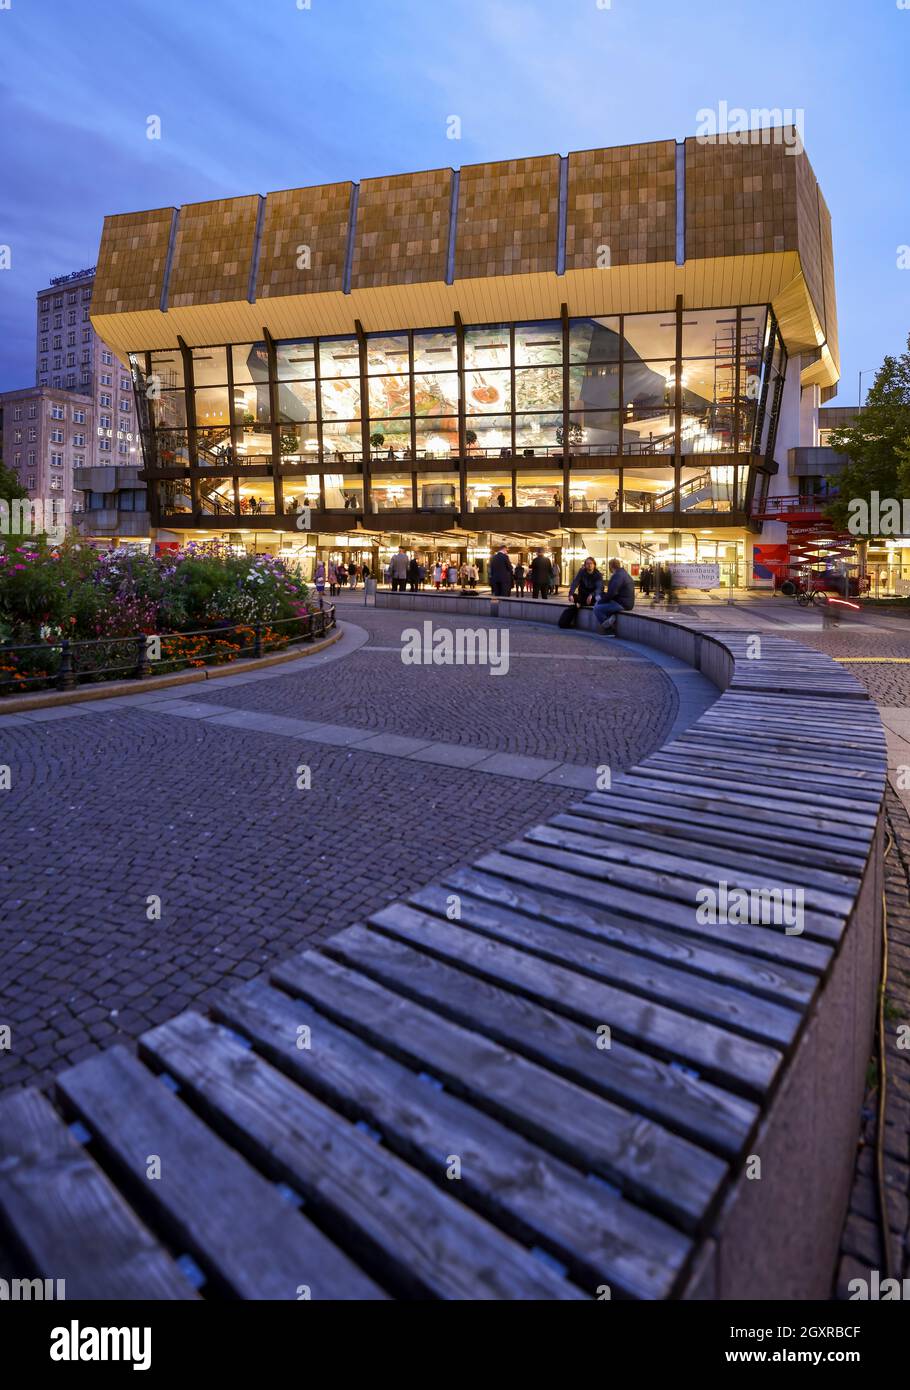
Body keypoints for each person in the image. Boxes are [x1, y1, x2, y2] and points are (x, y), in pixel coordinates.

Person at [594, 558, 635, 635]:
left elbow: (612, 593)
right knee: (600, 605)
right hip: (626, 602)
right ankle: (610, 619)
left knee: (597, 608)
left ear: (610, 566)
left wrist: (601, 600)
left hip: (622, 603)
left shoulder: (617, 576)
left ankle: (608, 629)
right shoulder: (624, 574)